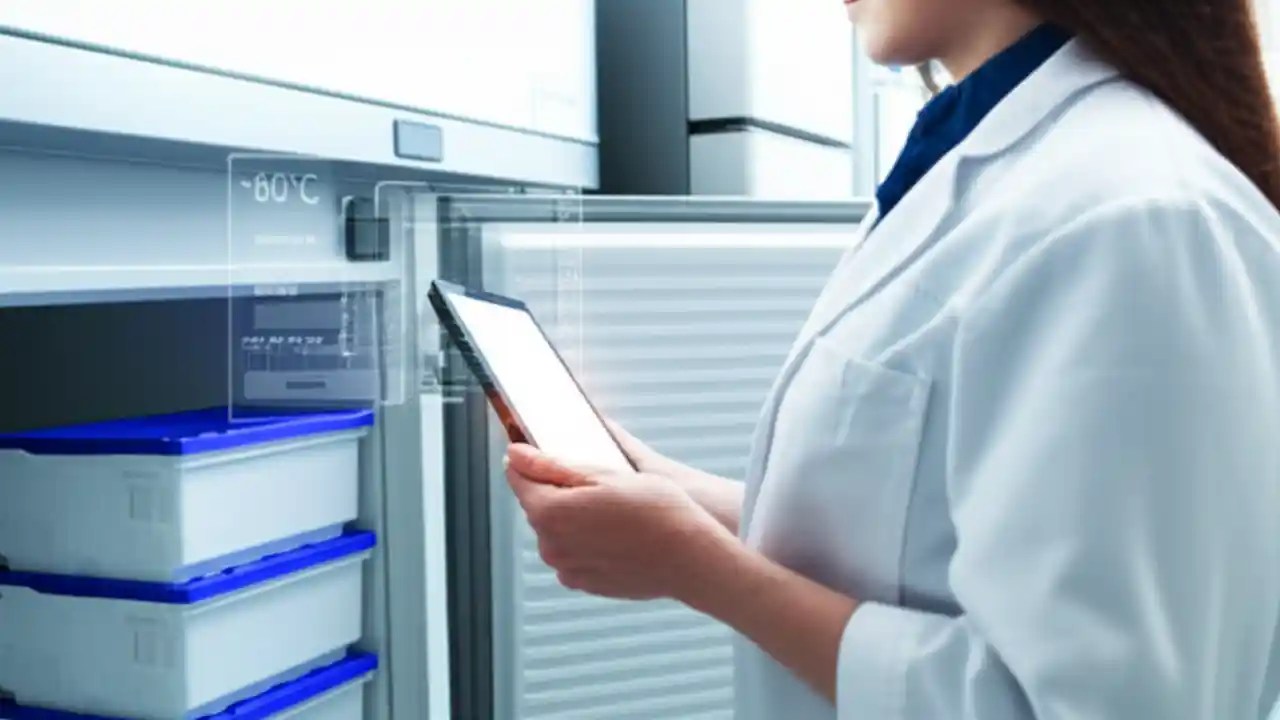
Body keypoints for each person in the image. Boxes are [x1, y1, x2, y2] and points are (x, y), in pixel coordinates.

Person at [506, 0, 1280, 717]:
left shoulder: (1134, 216)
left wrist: (697, 568)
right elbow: (914, 538)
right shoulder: (988, 165)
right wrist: (672, 493)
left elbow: (1093, 704)